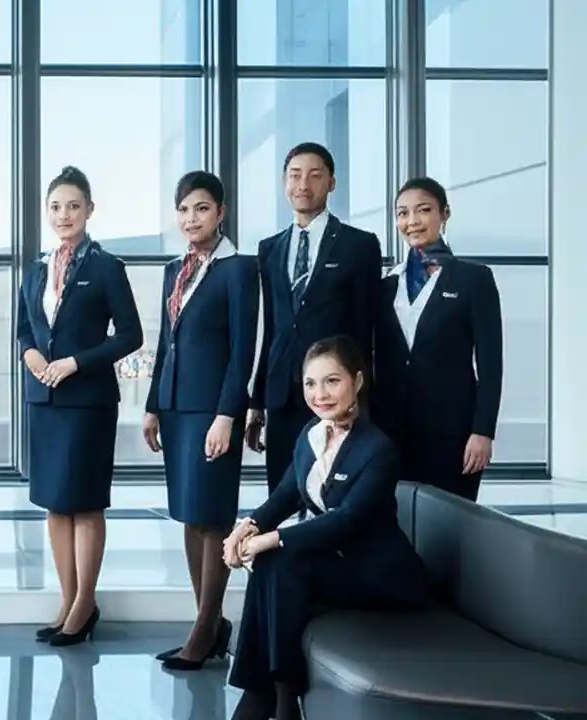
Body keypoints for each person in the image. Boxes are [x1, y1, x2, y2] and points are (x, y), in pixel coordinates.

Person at [224, 335, 428, 720]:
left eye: (332, 381)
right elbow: (286, 494)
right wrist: (245, 527)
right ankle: (270, 693)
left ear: (357, 381)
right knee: (273, 563)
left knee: (279, 559)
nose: (321, 394)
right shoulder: (311, 435)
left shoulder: (378, 449)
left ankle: (274, 699)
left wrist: (272, 538)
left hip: (380, 574)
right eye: (311, 383)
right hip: (335, 562)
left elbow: (345, 521)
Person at [17, 166, 143, 647]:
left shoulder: (106, 267)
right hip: (44, 398)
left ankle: (85, 604)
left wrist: (75, 362)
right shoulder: (36, 268)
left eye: (73, 205)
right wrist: (30, 354)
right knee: (54, 504)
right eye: (55, 206)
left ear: (89, 209)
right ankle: (69, 601)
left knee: (85, 504)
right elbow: (25, 328)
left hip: (87, 400)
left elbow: (130, 336)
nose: (63, 214)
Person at [143, 171, 259, 669]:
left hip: (212, 411)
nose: (192, 218)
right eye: (185, 210)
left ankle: (204, 628)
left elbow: (241, 350)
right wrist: (152, 405)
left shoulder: (238, 269)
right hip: (174, 408)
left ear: (221, 213)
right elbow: (165, 343)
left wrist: (227, 415)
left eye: (202, 209)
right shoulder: (176, 269)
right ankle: (208, 624)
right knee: (190, 517)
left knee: (212, 517)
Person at [247, 143, 382, 494]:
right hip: (283, 394)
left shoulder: (359, 245)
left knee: (331, 492)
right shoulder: (269, 248)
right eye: (295, 175)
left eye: (314, 175)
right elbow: (272, 328)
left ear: (332, 183)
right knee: (280, 492)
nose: (303, 184)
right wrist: (257, 402)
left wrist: (361, 395)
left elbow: (367, 325)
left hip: (335, 394)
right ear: (284, 182)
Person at [373, 177, 502, 502]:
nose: (411, 221)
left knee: (450, 530)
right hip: (390, 433)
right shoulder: (386, 285)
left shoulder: (474, 279)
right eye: (402, 213)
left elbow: (490, 366)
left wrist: (483, 432)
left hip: (452, 434)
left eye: (423, 210)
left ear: (444, 214)